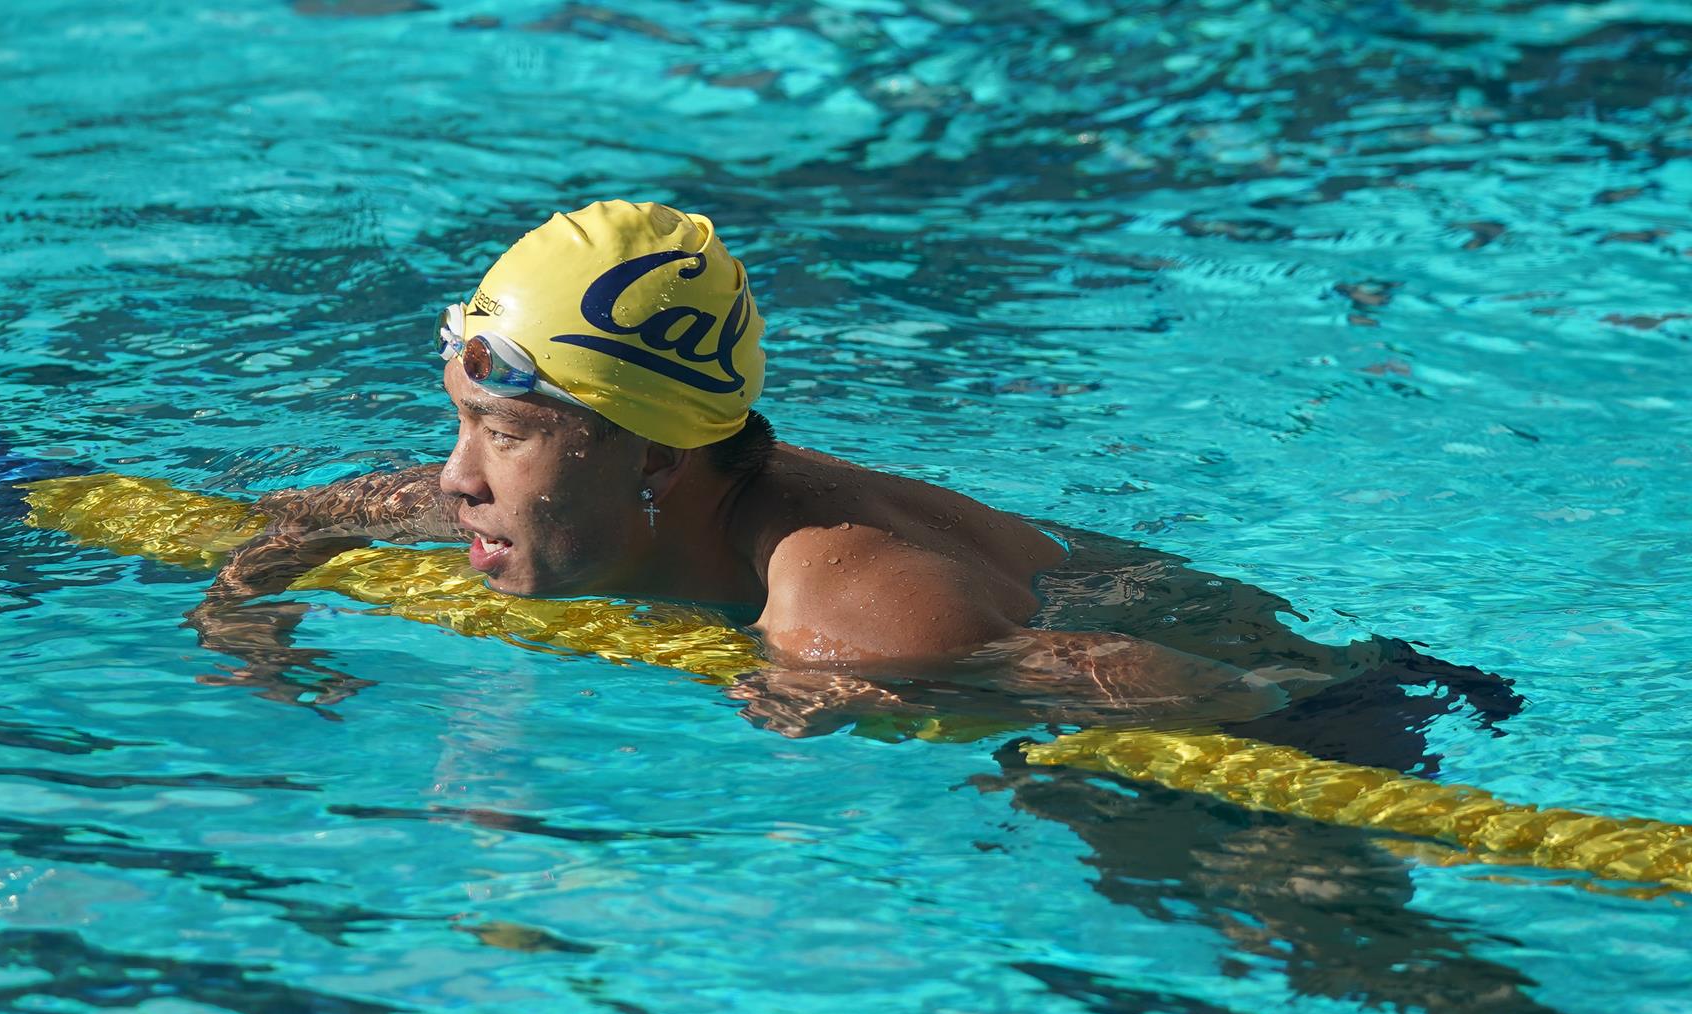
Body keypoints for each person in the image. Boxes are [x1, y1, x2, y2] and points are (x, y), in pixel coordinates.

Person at [189, 200, 1517, 756]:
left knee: (1286, 927)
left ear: (658, 455)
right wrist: (244, 610)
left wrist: (896, 693)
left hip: (1265, 686)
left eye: (508, 434)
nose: (457, 480)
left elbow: (1209, 695)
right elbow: (308, 517)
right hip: (1080, 617)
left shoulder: (851, 604)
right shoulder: (554, 488)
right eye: (464, 423)